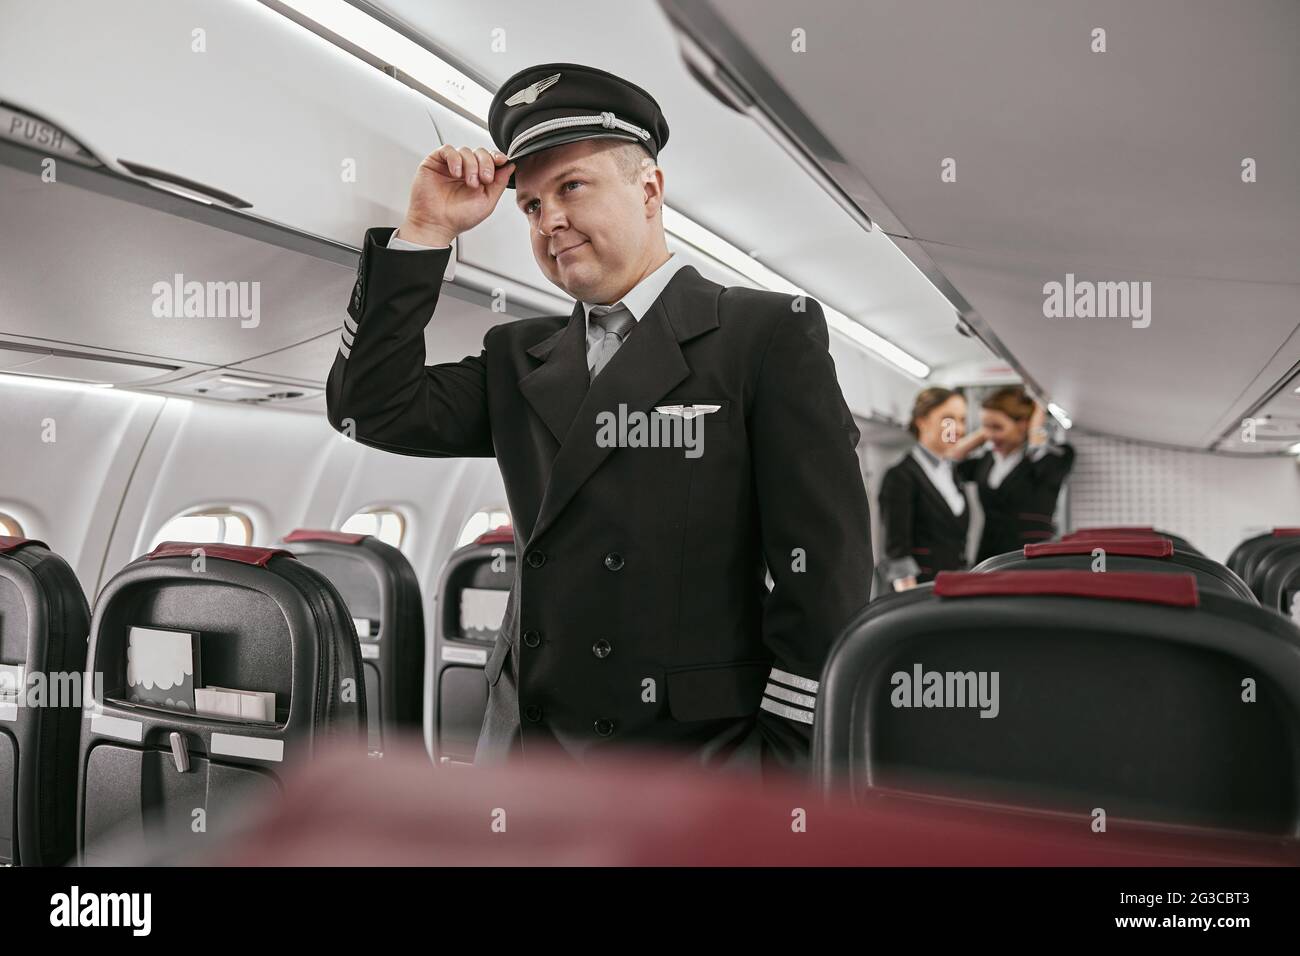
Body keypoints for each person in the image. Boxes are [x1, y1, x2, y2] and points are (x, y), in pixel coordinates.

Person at [325, 62, 873, 778]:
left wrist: (780, 763)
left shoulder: (763, 336)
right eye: (528, 206)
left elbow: (823, 574)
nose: (548, 219)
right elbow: (370, 409)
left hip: (693, 756)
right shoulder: (517, 356)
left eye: (571, 187)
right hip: (528, 742)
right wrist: (427, 230)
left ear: (649, 188)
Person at [949, 386, 1074, 563]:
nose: (990, 434)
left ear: (1024, 424)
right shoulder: (987, 460)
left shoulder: (1055, 457)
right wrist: (985, 432)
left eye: (997, 427)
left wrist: (1036, 424)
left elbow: (1040, 457)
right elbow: (950, 459)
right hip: (989, 557)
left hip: (1033, 558)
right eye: (985, 426)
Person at [876, 388, 970, 591]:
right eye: (948, 419)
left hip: (953, 589)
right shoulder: (900, 476)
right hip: (921, 597)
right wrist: (912, 608)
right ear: (922, 421)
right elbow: (897, 554)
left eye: (962, 420)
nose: (959, 428)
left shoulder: (951, 473)